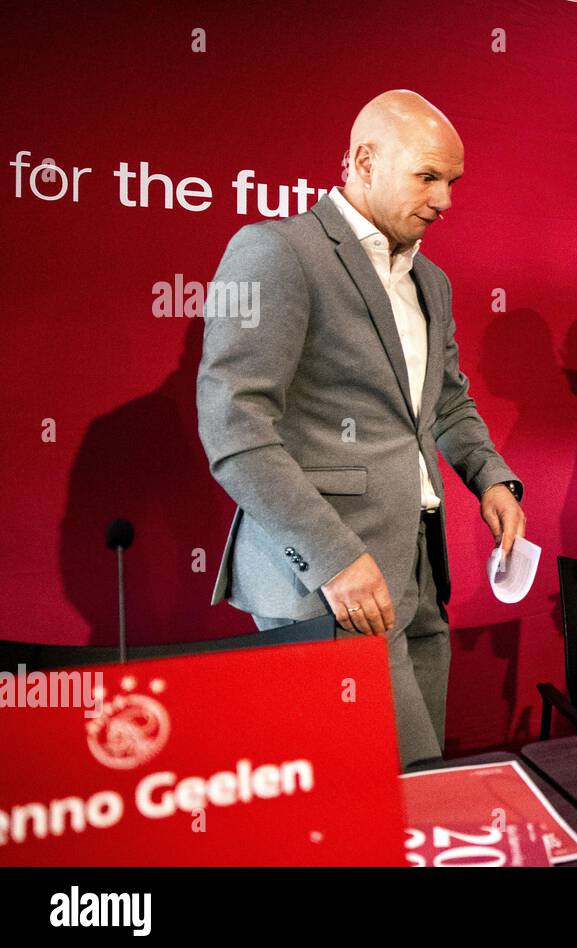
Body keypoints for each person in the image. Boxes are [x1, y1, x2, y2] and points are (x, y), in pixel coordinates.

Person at [197, 90, 525, 768]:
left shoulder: (431, 280)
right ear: (365, 161)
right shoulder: (274, 251)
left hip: (417, 572)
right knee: (378, 795)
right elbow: (234, 426)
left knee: (421, 788)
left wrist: (491, 478)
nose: (445, 201)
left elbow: (447, 404)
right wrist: (332, 557)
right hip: (326, 582)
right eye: (427, 177)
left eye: (452, 183)